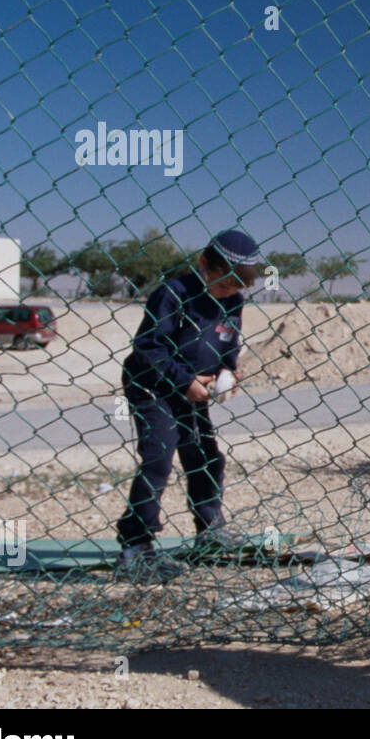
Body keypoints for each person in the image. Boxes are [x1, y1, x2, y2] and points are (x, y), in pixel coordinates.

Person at [114, 229, 261, 584]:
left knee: (206, 457)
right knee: (159, 457)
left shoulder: (233, 301)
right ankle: (135, 547)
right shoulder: (173, 295)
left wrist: (228, 370)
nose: (227, 292)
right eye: (222, 283)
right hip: (153, 386)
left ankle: (209, 530)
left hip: (194, 390)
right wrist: (186, 381)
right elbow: (149, 347)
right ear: (203, 264)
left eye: (235, 287)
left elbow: (229, 344)